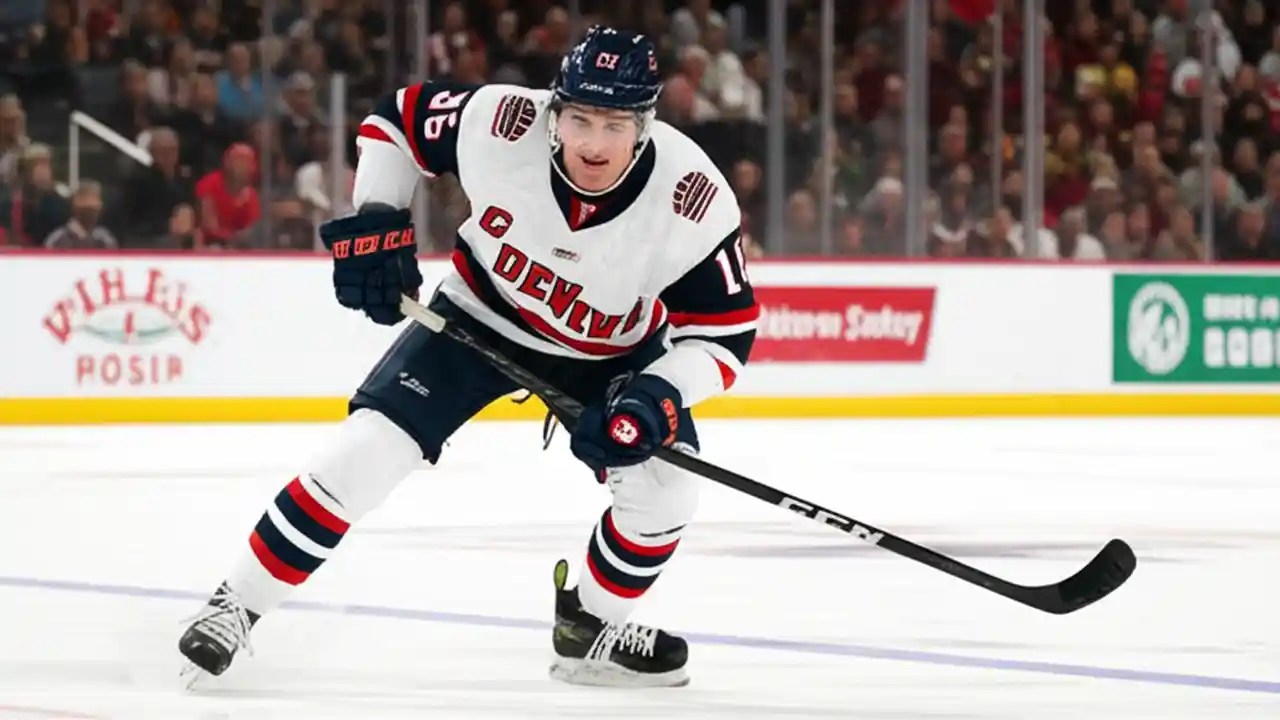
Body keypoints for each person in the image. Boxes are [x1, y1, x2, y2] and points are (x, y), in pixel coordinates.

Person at [178, 26, 757, 688]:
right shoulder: (502, 123)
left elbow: (724, 337)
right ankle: (236, 604)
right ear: (554, 112)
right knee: (366, 451)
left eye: (615, 125)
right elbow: (397, 121)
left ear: (646, 125)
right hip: (478, 318)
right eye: (580, 119)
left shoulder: (694, 200)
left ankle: (588, 629)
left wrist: (657, 396)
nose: (594, 143)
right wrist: (376, 217)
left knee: (667, 490)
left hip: (610, 356)